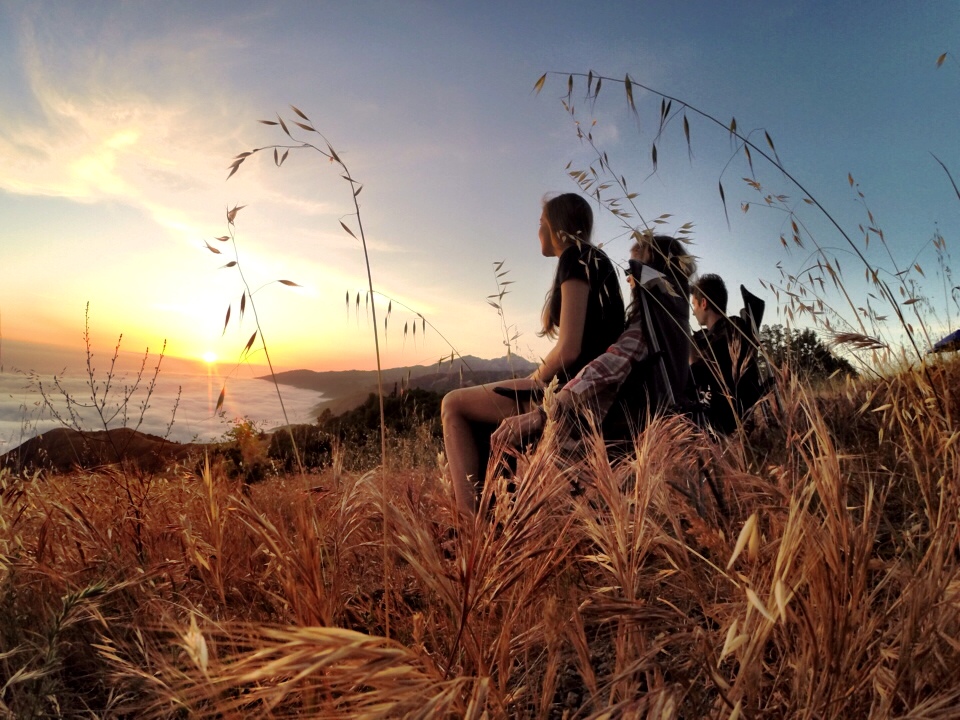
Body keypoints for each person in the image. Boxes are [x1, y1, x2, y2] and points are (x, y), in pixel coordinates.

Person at [442, 193, 624, 516]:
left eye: (541, 223)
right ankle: (493, 513)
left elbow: (569, 350)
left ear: (556, 226)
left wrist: (535, 378)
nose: (538, 230)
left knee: (452, 404)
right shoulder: (599, 262)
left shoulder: (575, 256)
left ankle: (470, 527)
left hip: (569, 395)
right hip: (591, 393)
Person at [492, 234, 696, 460]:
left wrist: (544, 413)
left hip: (624, 444)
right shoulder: (676, 318)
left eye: (634, 270)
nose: (629, 280)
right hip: (652, 438)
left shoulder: (653, 323)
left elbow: (610, 366)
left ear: (651, 271)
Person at [689, 274, 765, 434]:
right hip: (722, 420)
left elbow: (697, 375)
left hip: (723, 426)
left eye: (694, 305)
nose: (693, 312)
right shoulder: (720, 332)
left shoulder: (730, 332)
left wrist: (690, 353)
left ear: (704, 303)